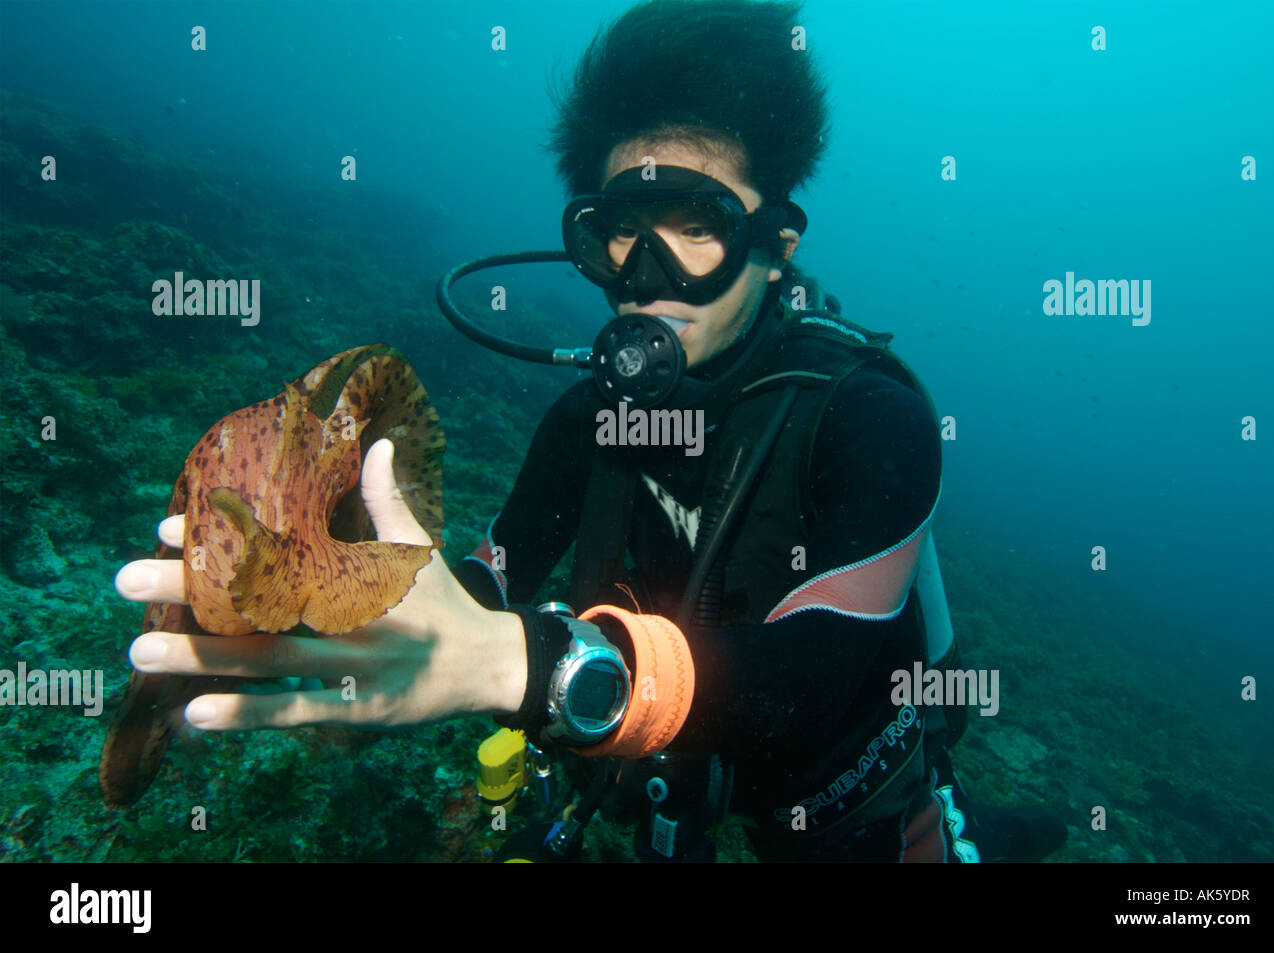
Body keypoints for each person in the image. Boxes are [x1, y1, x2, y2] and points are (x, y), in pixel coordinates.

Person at [113, 0, 1066, 862]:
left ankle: (997, 833)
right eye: (619, 227)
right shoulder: (589, 420)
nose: (646, 270)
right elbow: (492, 578)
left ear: (775, 248)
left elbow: (817, 674)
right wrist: (360, 600)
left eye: (697, 222)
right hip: (656, 772)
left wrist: (526, 666)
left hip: (827, 793)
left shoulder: (871, 417)